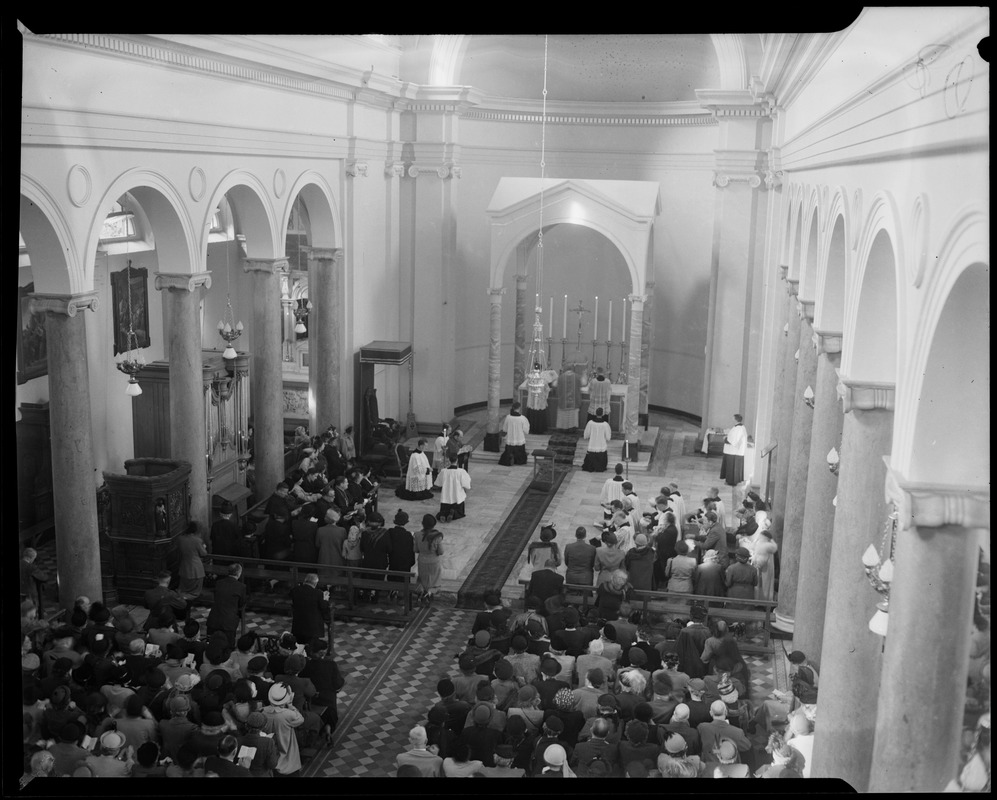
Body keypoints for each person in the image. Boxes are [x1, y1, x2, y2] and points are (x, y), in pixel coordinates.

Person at [263, 682, 305, 777]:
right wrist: (290, 704)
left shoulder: (262, 712)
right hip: (288, 761)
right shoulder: (288, 714)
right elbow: (300, 719)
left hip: (271, 757)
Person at [206, 563, 246, 648]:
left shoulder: (219, 583)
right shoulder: (241, 587)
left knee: (211, 646)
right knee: (228, 647)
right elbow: (241, 604)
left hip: (214, 620)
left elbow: (216, 598)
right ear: (239, 573)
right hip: (228, 623)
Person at [290, 573, 331, 645]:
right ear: (315, 583)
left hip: (298, 625)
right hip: (312, 628)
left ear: (305, 581)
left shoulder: (295, 590)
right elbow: (323, 607)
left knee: (299, 647)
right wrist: (325, 600)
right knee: (311, 648)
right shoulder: (318, 593)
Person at [387, 510, 417, 600]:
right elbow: (411, 551)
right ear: (406, 522)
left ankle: (392, 591)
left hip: (393, 561)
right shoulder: (408, 535)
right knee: (403, 577)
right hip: (404, 564)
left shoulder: (390, 532)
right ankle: (402, 596)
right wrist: (411, 562)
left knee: (393, 576)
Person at [416, 514, 444, 604]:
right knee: (434, 580)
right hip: (434, 561)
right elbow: (441, 551)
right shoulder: (437, 536)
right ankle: (429, 592)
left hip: (422, 561)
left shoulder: (417, 535)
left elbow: (415, 549)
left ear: (422, 523)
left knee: (423, 578)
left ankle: (422, 591)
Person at [176, 522, 208, 600]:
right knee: (195, 592)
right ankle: (186, 599)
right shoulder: (197, 540)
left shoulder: (180, 539)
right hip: (196, 568)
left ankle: (182, 597)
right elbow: (203, 553)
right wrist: (204, 547)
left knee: (184, 589)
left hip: (184, 567)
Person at [751, 514, 779, 602]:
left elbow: (760, 561)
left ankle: (761, 602)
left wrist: (754, 562)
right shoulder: (768, 545)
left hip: (762, 569)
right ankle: (765, 601)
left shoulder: (764, 546)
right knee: (767, 586)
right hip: (767, 568)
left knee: (763, 587)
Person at [435, 456, 470, 522]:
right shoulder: (461, 472)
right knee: (460, 512)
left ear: (449, 461)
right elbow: (466, 484)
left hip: (446, 496)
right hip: (457, 496)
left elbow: (438, 483)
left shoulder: (444, 471)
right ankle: (453, 513)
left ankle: (443, 514)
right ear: (456, 461)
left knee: (444, 508)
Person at [719, 413, 748, 491]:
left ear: (735, 419)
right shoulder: (740, 427)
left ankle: (732, 481)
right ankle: (731, 480)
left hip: (734, 452)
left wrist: (725, 439)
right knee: (732, 467)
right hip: (734, 451)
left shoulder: (739, 428)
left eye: (733, 418)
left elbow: (734, 440)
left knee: (732, 467)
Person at [499, 401, 531, 466]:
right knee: (520, 451)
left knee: (508, 451)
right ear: (519, 408)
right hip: (519, 438)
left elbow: (505, 429)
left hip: (510, 438)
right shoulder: (522, 418)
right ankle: (519, 461)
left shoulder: (508, 417)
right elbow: (526, 431)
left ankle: (509, 460)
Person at [582, 407, 612, 472]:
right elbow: (608, 438)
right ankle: (600, 467)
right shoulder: (605, 425)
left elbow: (586, 435)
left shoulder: (590, 423)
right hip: (601, 447)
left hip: (592, 446)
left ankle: (590, 467)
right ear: (602, 414)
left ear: (595, 413)